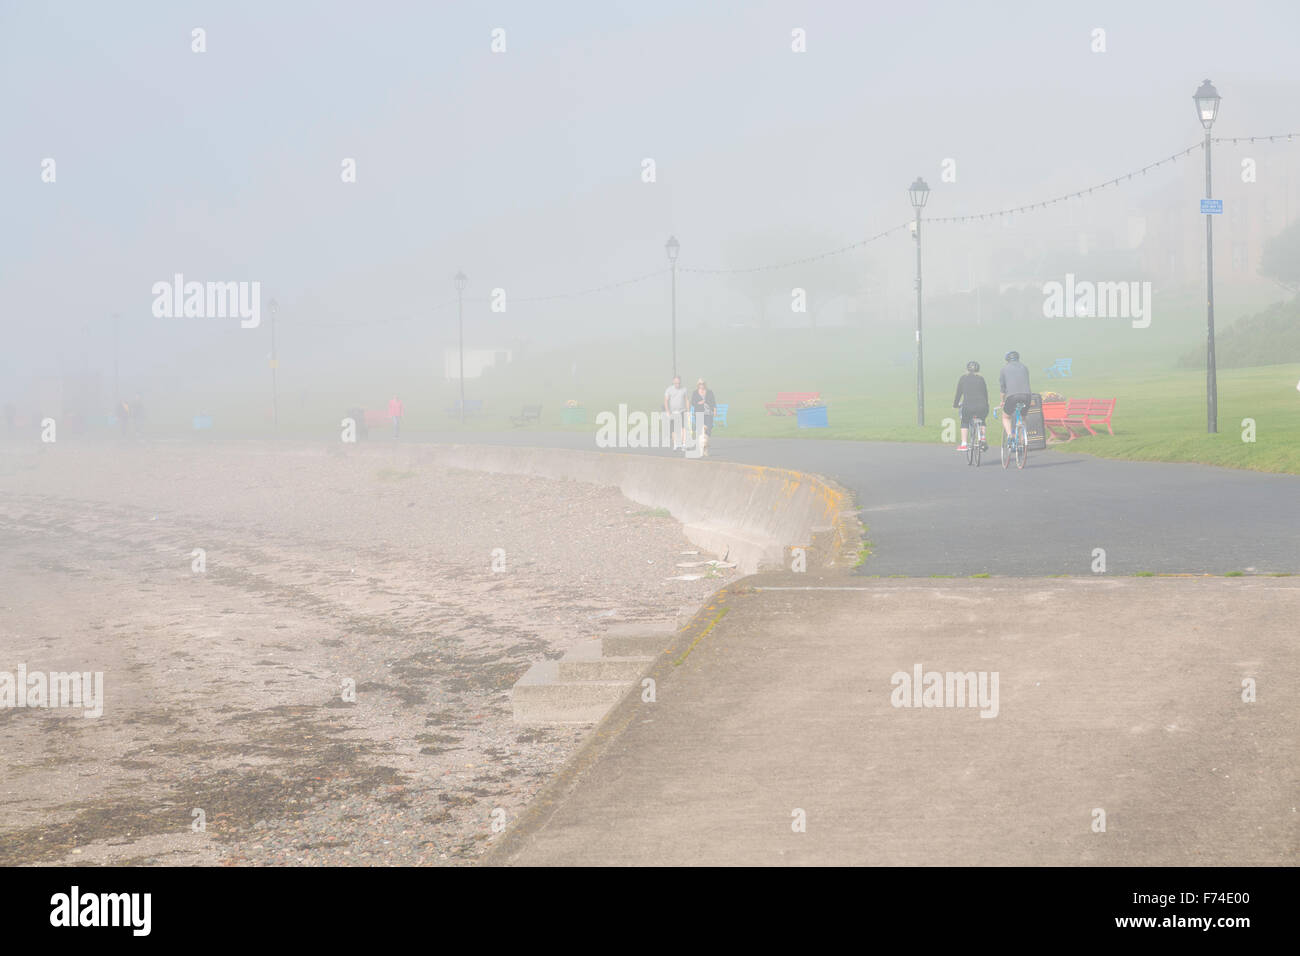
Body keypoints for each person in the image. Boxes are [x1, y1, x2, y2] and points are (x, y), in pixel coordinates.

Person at [952, 361, 989, 453]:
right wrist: (986, 405)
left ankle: (964, 444)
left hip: (968, 406)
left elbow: (958, 393)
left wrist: (955, 405)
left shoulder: (963, 378)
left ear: (967, 369)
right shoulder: (981, 379)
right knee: (982, 419)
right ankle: (982, 438)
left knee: (964, 421)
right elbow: (985, 393)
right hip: (982, 406)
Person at [998, 350, 1032, 440]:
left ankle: (1010, 435)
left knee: (1006, 417)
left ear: (1007, 359)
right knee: (1023, 418)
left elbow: (1003, 388)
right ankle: (1023, 439)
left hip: (1012, 396)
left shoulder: (1004, 369)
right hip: (1027, 396)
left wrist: (1002, 401)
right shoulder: (1024, 367)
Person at [691, 378, 717, 456]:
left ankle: (706, 448)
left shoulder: (709, 392)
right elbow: (692, 402)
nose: (701, 385)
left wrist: (715, 410)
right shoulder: (695, 393)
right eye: (700, 384)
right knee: (700, 431)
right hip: (699, 413)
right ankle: (701, 449)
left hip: (708, 413)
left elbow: (713, 402)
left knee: (708, 430)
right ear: (698, 385)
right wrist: (698, 403)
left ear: (705, 384)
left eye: (702, 383)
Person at [663, 375, 688, 451]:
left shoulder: (684, 389)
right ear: (673, 382)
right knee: (673, 429)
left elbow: (686, 400)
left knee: (683, 428)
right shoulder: (669, 390)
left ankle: (683, 444)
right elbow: (666, 401)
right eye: (676, 383)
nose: (677, 384)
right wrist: (667, 411)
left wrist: (688, 411)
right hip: (673, 412)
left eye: (679, 383)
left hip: (682, 411)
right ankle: (675, 444)